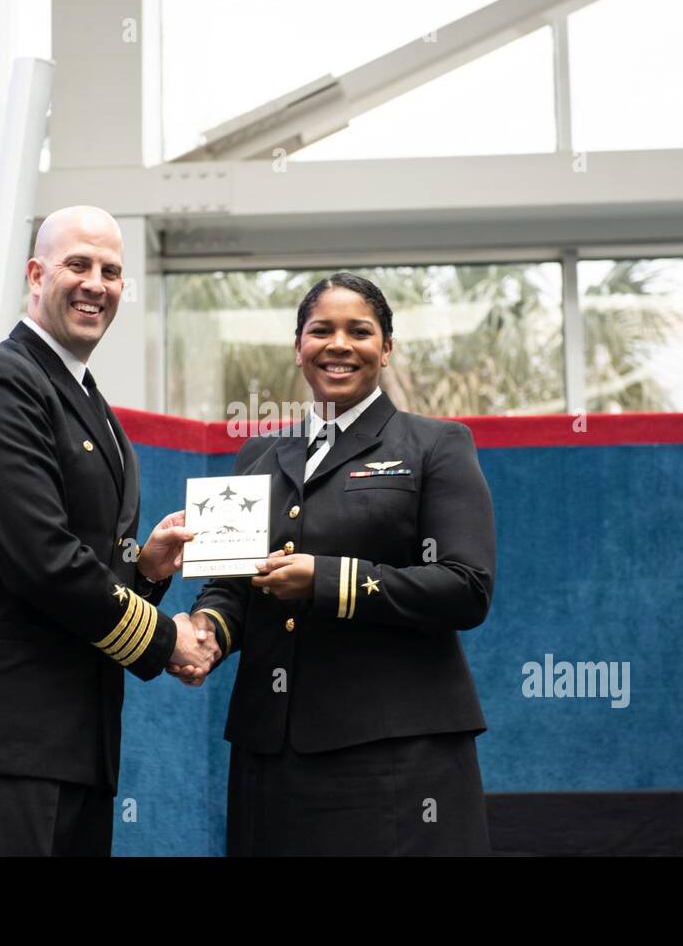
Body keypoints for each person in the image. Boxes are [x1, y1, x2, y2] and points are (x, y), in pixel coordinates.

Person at [0, 205, 217, 857]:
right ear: (35, 273)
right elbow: (42, 561)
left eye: (111, 271)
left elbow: (77, 559)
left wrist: (145, 572)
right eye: (77, 264)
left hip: (78, 737)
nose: (96, 283)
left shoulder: (86, 401)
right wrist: (170, 638)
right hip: (5, 730)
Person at [173, 272, 496, 856]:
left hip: (394, 756)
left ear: (386, 349)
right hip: (270, 755)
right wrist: (207, 631)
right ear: (299, 347)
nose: (339, 345)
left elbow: (466, 587)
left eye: (360, 331)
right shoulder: (258, 455)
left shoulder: (436, 445)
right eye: (321, 330)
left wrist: (327, 580)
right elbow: (234, 582)